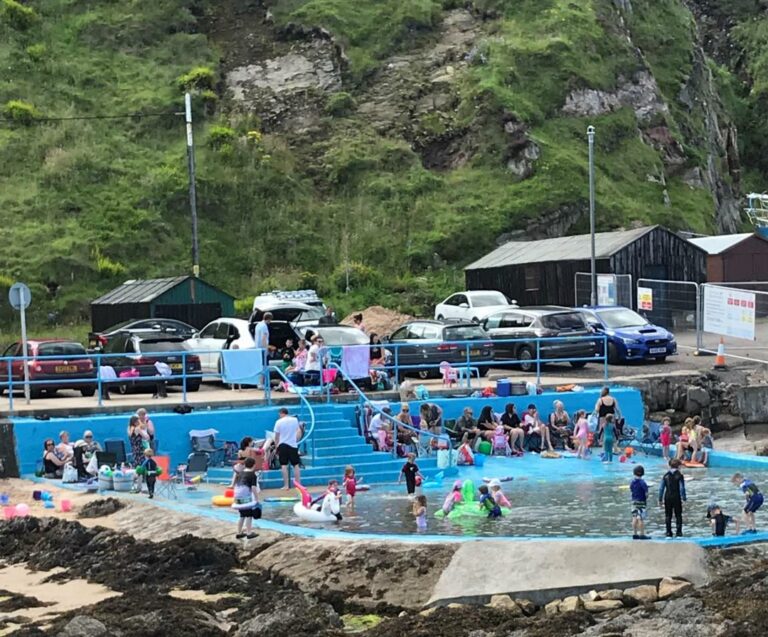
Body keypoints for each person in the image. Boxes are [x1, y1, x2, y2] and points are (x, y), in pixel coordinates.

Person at [232, 456, 261, 539]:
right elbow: (253, 488)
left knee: (242, 515)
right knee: (249, 515)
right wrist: (256, 499)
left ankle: (239, 532)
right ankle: (249, 533)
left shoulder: (240, 473)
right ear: (254, 465)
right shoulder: (252, 475)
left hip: (237, 497)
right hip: (245, 498)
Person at [274, 407, 302, 490]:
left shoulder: (278, 422)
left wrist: (276, 446)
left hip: (282, 444)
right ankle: (298, 484)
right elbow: (299, 431)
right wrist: (296, 440)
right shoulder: (294, 420)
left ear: (281, 413)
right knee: (296, 465)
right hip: (293, 444)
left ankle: (286, 485)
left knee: (283, 465)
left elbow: (276, 436)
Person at [659, 458, 687, 538]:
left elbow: (661, 488)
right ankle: (679, 532)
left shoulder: (666, 475)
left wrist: (660, 499)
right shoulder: (680, 475)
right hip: (676, 496)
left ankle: (668, 532)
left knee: (668, 515)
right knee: (678, 515)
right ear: (678, 466)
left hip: (667, 496)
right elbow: (682, 488)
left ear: (669, 466)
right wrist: (684, 498)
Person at [630, 465, 650, 540]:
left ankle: (634, 533)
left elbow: (631, 489)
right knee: (640, 518)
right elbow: (646, 493)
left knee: (634, 517)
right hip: (641, 501)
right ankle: (642, 534)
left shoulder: (632, 482)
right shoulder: (643, 482)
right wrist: (646, 498)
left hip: (634, 501)